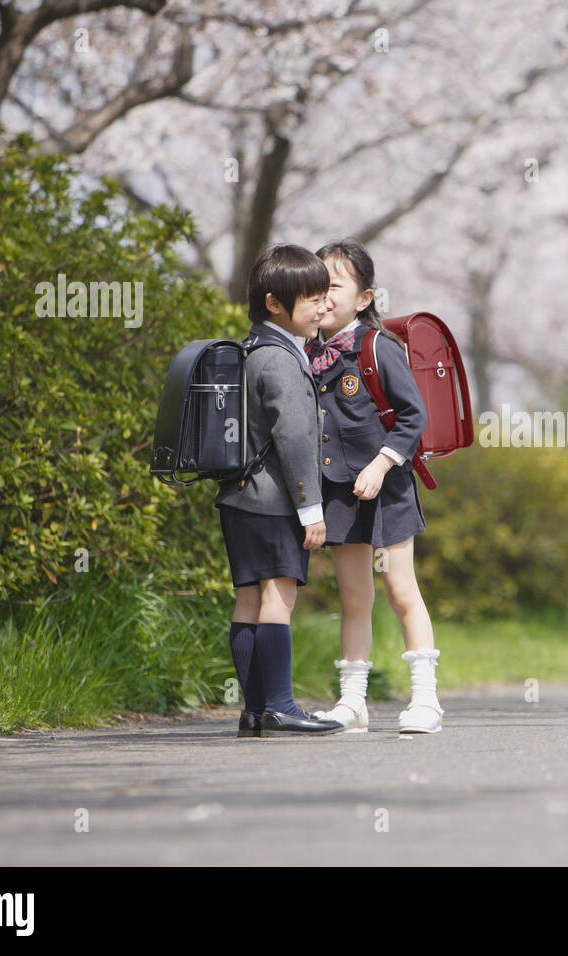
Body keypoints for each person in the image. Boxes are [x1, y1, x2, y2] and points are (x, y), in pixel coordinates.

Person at [304, 238, 444, 734]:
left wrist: (381, 465)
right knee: (353, 597)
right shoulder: (311, 354)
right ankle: (353, 703)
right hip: (338, 492)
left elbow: (413, 417)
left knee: (402, 588)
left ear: (364, 298)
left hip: (387, 489)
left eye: (334, 286)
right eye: (317, 286)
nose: (323, 296)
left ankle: (425, 699)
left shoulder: (377, 347)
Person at [214, 243, 343, 737]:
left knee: (249, 599)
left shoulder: (250, 350)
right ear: (274, 303)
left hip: (238, 497)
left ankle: (253, 710)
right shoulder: (280, 360)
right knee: (278, 598)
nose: (322, 307)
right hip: (272, 501)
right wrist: (311, 508)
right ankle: (283, 706)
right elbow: (293, 437)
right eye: (311, 298)